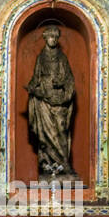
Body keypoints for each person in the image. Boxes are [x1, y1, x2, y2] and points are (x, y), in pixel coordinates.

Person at [25, 24, 76, 176]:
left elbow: (70, 80)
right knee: (45, 135)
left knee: (61, 130)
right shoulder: (41, 57)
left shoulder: (62, 58)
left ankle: (64, 165)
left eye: (55, 37)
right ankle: (47, 166)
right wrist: (32, 88)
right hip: (44, 101)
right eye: (50, 37)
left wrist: (62, 85)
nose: (52, 40)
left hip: (59, 100)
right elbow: (36, 78)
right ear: (45, 38)